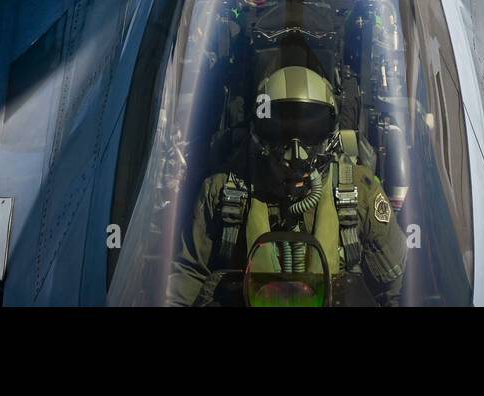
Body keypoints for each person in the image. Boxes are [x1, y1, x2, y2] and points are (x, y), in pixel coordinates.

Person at [168, 65, 407, 306]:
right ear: (259, 134)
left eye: (310, 132)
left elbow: (394, 290)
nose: (296, 155)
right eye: (281, 134)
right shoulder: (223, 192)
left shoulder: (359, 192)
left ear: (330, 135)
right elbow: (187, 280)